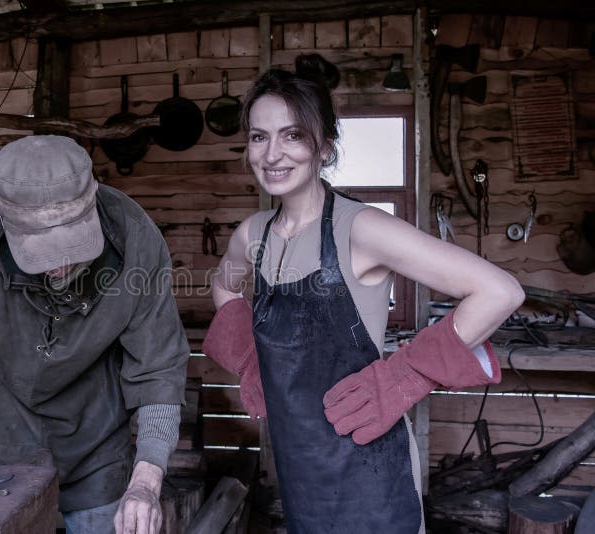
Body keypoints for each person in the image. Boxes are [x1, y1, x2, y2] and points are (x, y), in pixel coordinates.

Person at [203, 55, 525, 533]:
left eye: (293, 135)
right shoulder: (254, 236)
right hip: (298, 471)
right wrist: (251, 357)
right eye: (259, 136)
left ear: (325, 148)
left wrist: (407, 375)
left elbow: (499, 291)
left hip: (371, 479)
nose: (272, 154)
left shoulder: (362, 229)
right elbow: (222, 285)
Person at [0, 135, 189, 534]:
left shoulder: (136, 236)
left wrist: (145, 482)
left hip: (97, 448)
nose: (59, 267)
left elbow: (159, 371)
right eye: (41, 253)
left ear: (94, 196)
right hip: (2, 442)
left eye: (72, 246)